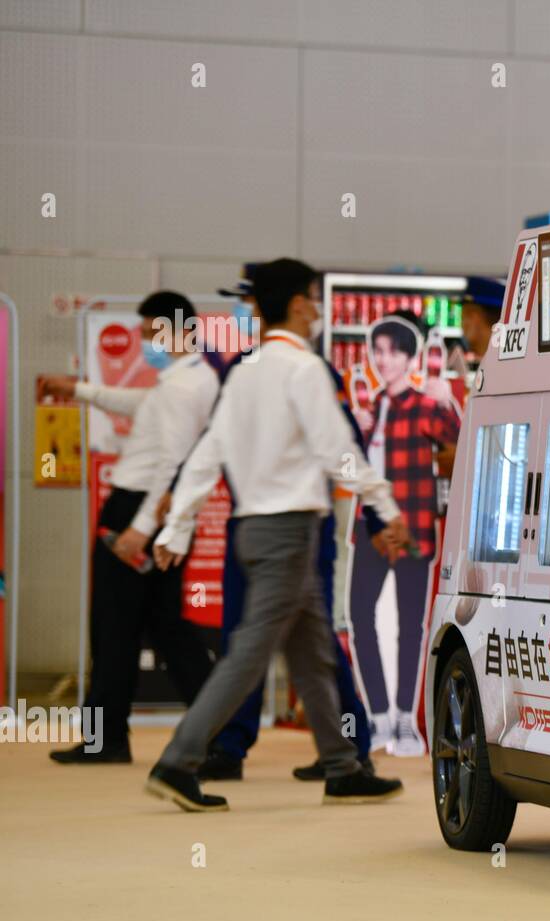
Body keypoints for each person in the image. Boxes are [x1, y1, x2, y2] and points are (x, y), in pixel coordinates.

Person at [146, 258, 408, 812]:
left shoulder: (244, 371)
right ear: (295, 304)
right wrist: (383, 506)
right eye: (313, 297)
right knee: (248, 655)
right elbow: (338, 451)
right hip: (290, 532)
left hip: (254, 530)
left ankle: (342, 767)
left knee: (312, 655)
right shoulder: (304, 369)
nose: (318, 307)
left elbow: (207, 454)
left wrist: (177, 527)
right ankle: (178, 761)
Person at [187, 281, 384, 782]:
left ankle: (346, 747)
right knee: (258, 638)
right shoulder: (243, 368)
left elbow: (345, 443)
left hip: (300, 526)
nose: (247, 309)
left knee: (304, 646)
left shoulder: (308, 369)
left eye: (250, 300)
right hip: (251, 521)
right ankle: (234, 747)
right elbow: (215, 443)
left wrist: (381, 513)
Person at [43, 291, 219, 764]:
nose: (144, 342)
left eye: (149, 332)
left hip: (138, 511)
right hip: (155, 515)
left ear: (177, 330)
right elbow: (139, 404)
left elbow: (171, 466)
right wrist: (79, 391)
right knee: (168, 628)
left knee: (114, 629)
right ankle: (217, 731)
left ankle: (106, 739)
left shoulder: (180, 389)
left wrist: (139, 529)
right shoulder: (187, 381)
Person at [348, 312, 460, 755]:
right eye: (378, 351)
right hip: (370, 526)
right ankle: (378, 717)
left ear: (410, 358)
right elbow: (349, 469)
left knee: (411, 625)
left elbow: (458, 442)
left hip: (410, 528)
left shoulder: (424, 405)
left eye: (393, 352)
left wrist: (447, 402)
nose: (384, 360)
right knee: (361, 618)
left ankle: (403, 719)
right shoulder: (370, 407)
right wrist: (355, 430)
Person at [445, 276, 503, 378]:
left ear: (474, 317)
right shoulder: (500, 365)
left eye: (463, 318)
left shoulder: (501, 369)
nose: (462, 326)